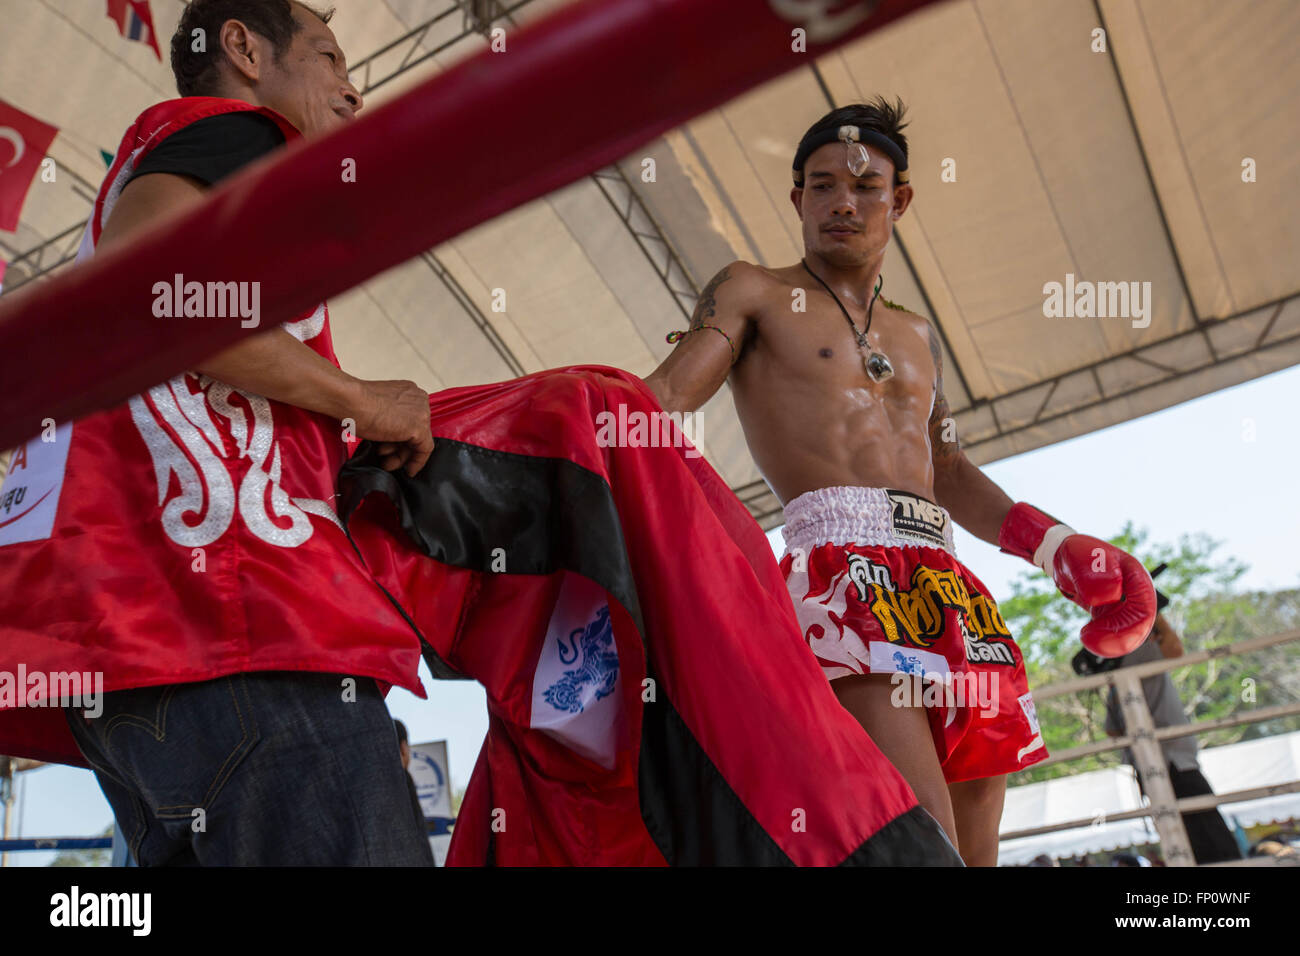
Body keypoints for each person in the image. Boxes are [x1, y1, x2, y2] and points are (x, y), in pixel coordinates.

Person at [643, 97, 1156, 865]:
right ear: (798, 200)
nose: (841, 202)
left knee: (977, 845)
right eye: (820, 186)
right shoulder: (750, 289)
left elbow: (945, 466)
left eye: (864, 186)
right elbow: (662, 400)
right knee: (923, 846)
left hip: (946, 583)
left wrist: (1053, 545)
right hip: (840, 576)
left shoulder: (917, 333)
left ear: (899, 198)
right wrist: (563, 416)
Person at [0, 0, 433, 865]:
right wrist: (359, 398)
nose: (352, 90)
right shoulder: (242, 129)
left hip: (139, 658)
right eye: (330, 58)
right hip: (242, 633)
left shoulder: (152, 173)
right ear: (242, 49)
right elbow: (148, 290)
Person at [1103, 603, 1243, 864]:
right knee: (1213, 840)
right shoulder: (1139, 652)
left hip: (1151, 765)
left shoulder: (1118, 669)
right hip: (1174, 762)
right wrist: (1151, 607)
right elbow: (1175, 650)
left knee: (1186, 840)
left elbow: (1111, 727)